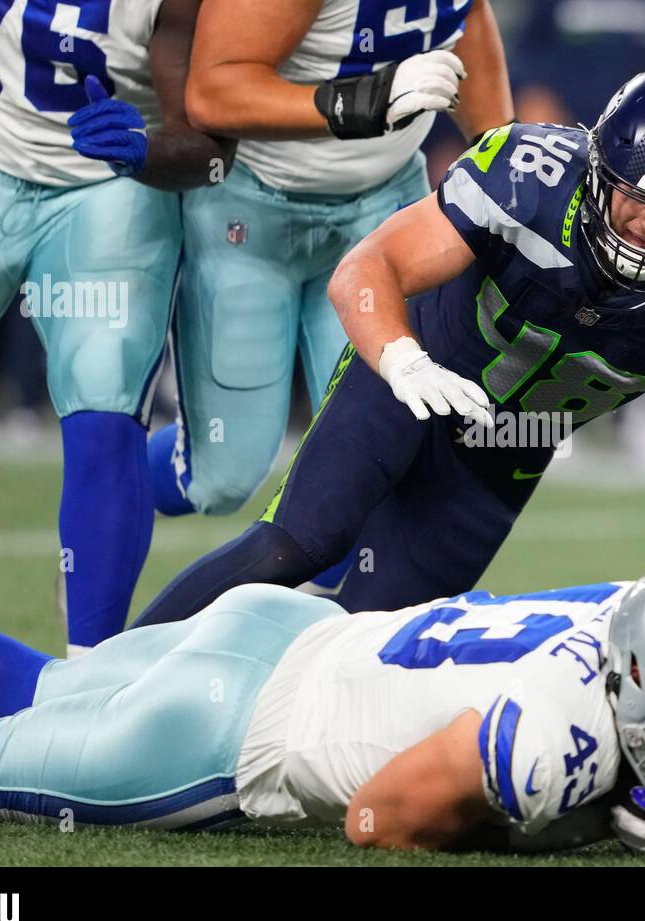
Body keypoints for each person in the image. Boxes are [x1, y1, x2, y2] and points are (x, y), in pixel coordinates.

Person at [131, 61, 645, 640]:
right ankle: (106, 676)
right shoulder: (530, 175)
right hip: (414, 377)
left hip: (502, 453)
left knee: (374, 636)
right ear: (599, 171)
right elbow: (367, 270)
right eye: (634, 198)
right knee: (296, 544)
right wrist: (404, 360)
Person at [0, 553, 645, 859]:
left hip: (283, 624)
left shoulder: (637, 613)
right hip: (224, 729)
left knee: (43, 683)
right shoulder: (550, 738)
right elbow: (373, 818)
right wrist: (568, 828)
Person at [0, 0, 234, 654]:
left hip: (108, 188)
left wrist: (144, 151)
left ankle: (87, 683)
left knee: (106, 400)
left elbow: (211, 150)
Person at [146, 0, 515, 528]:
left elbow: (461, 16)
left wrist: (501, 157)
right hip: (252, 211)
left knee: (379, 463)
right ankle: (121, 495)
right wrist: (363, 100)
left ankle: (325, 605)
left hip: (381, 211)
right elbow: (212, 91)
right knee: (222, 475)